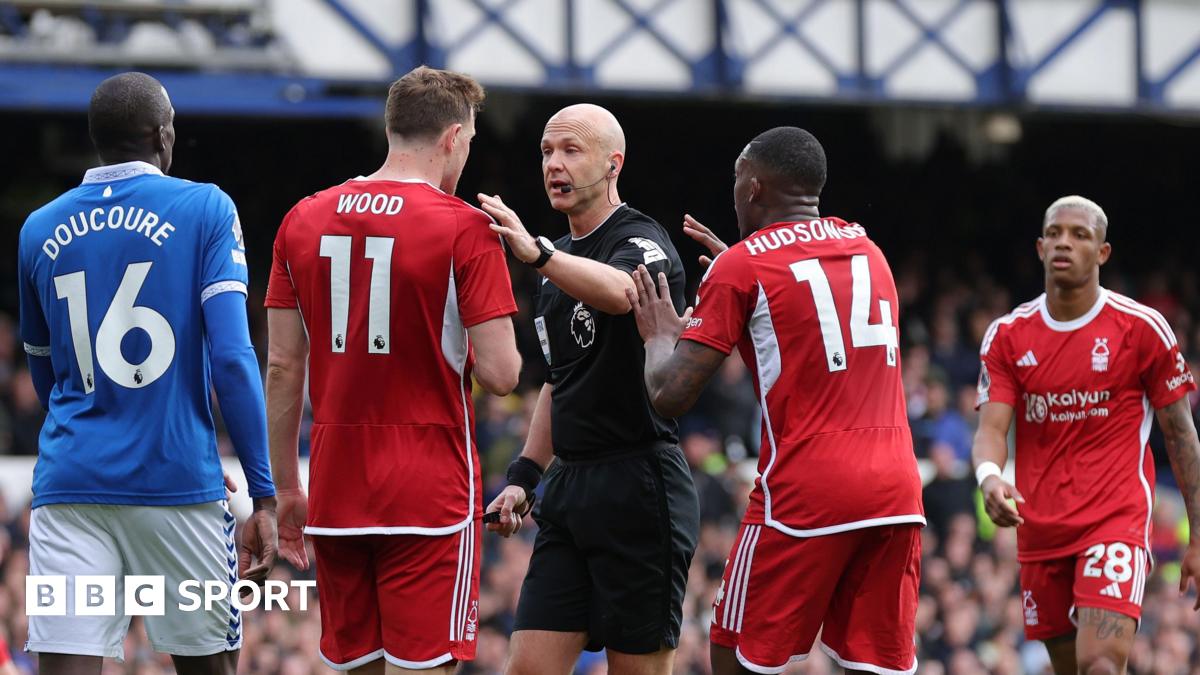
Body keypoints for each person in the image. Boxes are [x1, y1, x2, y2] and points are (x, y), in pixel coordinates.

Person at [625, 126, 924, 674]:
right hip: (897, 491)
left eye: (738, 181)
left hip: (807, 488)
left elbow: (668, 395)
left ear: (754, 187)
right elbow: (804, 335)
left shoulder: (745, 267)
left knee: (732, 651)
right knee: (874, 663)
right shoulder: (867, 248)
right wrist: (739, 289)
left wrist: (658, 339)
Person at [16, 72, 277, 674]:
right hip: (176, 483)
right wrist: (261, 491)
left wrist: (90, 428)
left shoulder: (38, 228)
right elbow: (235, 361)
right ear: (164, 136)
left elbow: (43, 368)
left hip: (71, 484)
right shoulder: (205, 207)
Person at [263, 66, 521, 674]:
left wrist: (285, 489)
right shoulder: (465, 227)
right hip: (429, 491)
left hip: (335, 486)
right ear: (454, 137)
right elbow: (504, 374)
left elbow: (281, 366)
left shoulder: (302, 219)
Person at [478, 103, 699, 675]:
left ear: (612, 165)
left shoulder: (641, 239)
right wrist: (525, 478)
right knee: (525, 668)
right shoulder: (558, 268)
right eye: (548, 152)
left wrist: (539, 254)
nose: (555, 163)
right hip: (570, 491)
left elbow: (625, 291)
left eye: (571, 151)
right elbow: (560, 381)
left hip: (640, 487)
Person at [971, 195, 1200, 674]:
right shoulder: (1008, 336)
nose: (1064, 243)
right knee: (1069, 669)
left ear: (1103, 253)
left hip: (1114, 522)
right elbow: (992, 428)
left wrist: (1198, 531)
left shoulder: (1142, 329)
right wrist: (990, 475)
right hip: (1040, 529)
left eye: (1079, 235)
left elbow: (1180, 436)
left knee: (1099, 664)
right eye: (1054, 233)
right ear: (1039, 247)